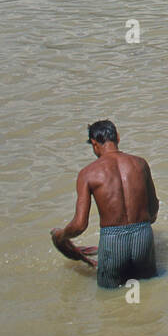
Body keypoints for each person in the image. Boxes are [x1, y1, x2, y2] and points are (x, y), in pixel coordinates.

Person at [51, 120, 159, 290]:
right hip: (143, 237)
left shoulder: (88, 173)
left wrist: (60, 235)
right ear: (118, 137)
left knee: (111, 302)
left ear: (94, 144)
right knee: (146, 293)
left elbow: (79, 225)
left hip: (113, 241)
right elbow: (153, 212)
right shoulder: (140, 164)